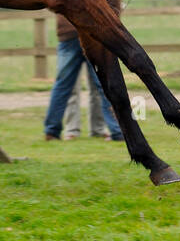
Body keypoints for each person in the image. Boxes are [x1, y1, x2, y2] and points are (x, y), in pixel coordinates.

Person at [44, 10, 123, 142]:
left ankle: (52, 131)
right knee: (104, 85)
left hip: (68, 34)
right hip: (95, 35)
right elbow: (114, 0)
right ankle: (117, 131)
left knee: (62, 85)